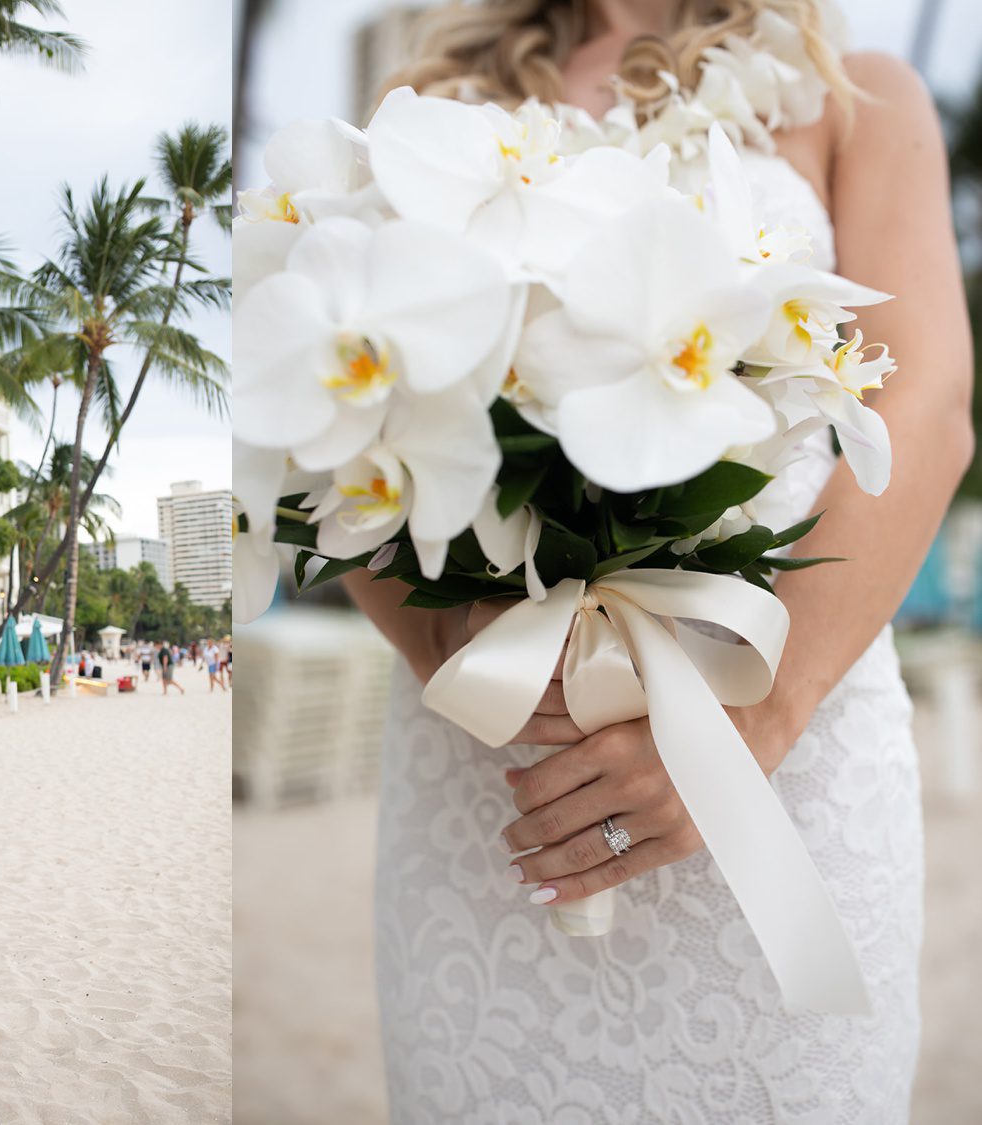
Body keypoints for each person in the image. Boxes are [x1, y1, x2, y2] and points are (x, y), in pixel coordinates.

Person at [337, 2, 973, 1120]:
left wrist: (745, 724)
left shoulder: (861, 97)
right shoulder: (433, 113)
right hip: (493, 765)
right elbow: (341, 435)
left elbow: (925, 409)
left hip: (788, 747)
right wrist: (444, 636)